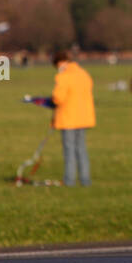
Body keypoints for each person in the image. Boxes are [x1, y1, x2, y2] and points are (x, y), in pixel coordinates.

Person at [51, 50, 96, 186]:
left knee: (69, 150)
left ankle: (69, 180)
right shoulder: (84, 74)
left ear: (60, 63)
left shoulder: (64, 77)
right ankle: (85, 180)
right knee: (81, 149)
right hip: (83, 117)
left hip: (68, 118)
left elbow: (58, 98)